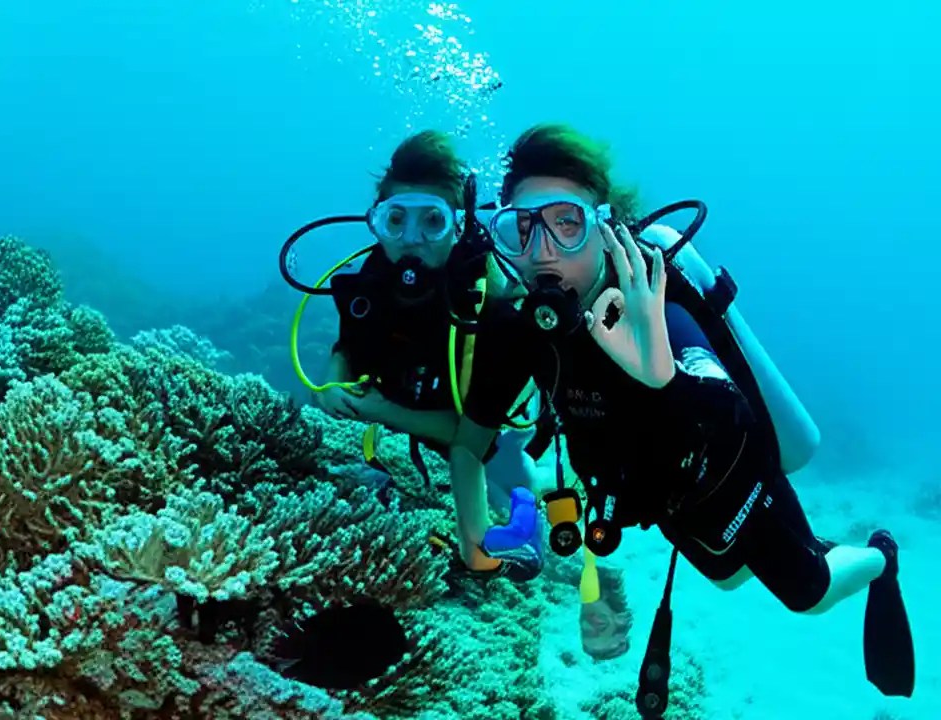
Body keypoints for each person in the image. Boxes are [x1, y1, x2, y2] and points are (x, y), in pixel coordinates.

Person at [479, 123, 914, 703]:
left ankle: (880, 557)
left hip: (734, 478)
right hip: (661, 491)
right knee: (730, 578)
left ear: (603, 226)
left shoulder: (654, 301)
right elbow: (493, 436)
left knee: (808, 593)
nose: (542, 251)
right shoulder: (533, 327)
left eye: (566, 223)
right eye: (522, 228)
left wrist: (661, 375)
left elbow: (728, 411)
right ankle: (814, 544)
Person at [304, 130, 546, 580]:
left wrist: (381, 410)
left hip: (489, 429)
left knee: (514, 499)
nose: (411, 241)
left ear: (458, 225)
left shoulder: (489, 307)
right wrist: (334, 377)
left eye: (431, 222)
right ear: (376, 221)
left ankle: (535, 506)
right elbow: (348, 346)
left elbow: (466, 431)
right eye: (396, 221)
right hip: (417, 408)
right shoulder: (372, 284)